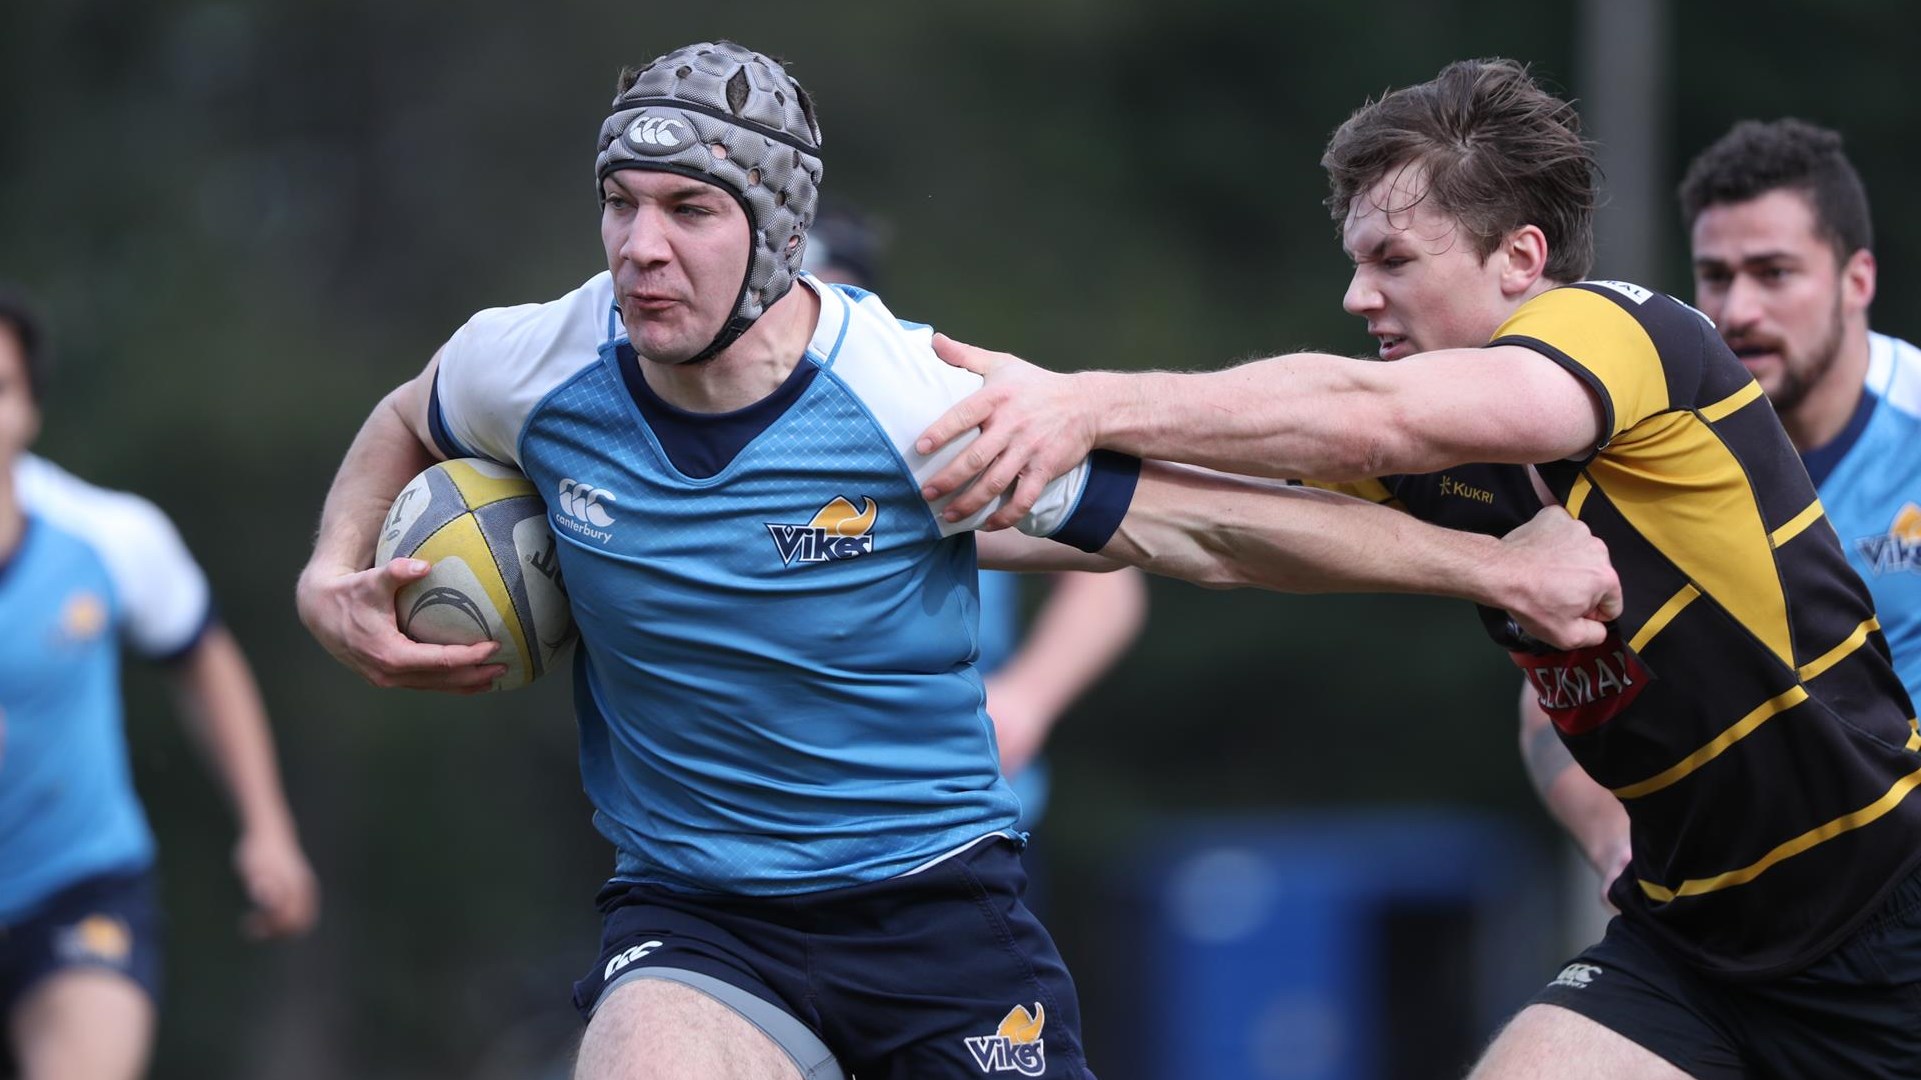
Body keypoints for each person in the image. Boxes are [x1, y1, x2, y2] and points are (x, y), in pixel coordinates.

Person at [293, 42, 1617, 1080]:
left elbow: (1202, 528)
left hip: (935, 911)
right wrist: (329, 572)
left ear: (777, 229)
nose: (642, 247)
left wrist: (1488, 566)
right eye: (620, 204)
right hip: (699, 916)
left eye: (689, 209)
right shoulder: (534, 363)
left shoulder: (903, 400)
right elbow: (409, 414)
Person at [914, 59, 1921, 1078]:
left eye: (1392, 259)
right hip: (1692, 942)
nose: (1357, 295)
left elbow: (1365, 418)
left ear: (1519, 257)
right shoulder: (1437, 461)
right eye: (1356, 262)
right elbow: (1195, 522)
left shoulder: (1624, 330)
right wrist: (921, 504)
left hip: (1886, 911)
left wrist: (1082, 400)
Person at [1521, 117, 1921, 929]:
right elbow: (1554, 701)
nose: (1737, 309)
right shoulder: (1643, 452)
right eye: (1714, 276)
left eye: (1773, 273)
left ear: (1856, 280)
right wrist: (1613, 842)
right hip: (1734, 906)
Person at [0, 289, 319, 1080]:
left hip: (75, 887)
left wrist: (267, 827)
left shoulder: (108, 539)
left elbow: (205, 659)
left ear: (30, 410)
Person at [803, 203, 1151, 905]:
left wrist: (1028, 697)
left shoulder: (928, 422)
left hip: (959, 821)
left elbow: (1106, 575)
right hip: (767, 836)